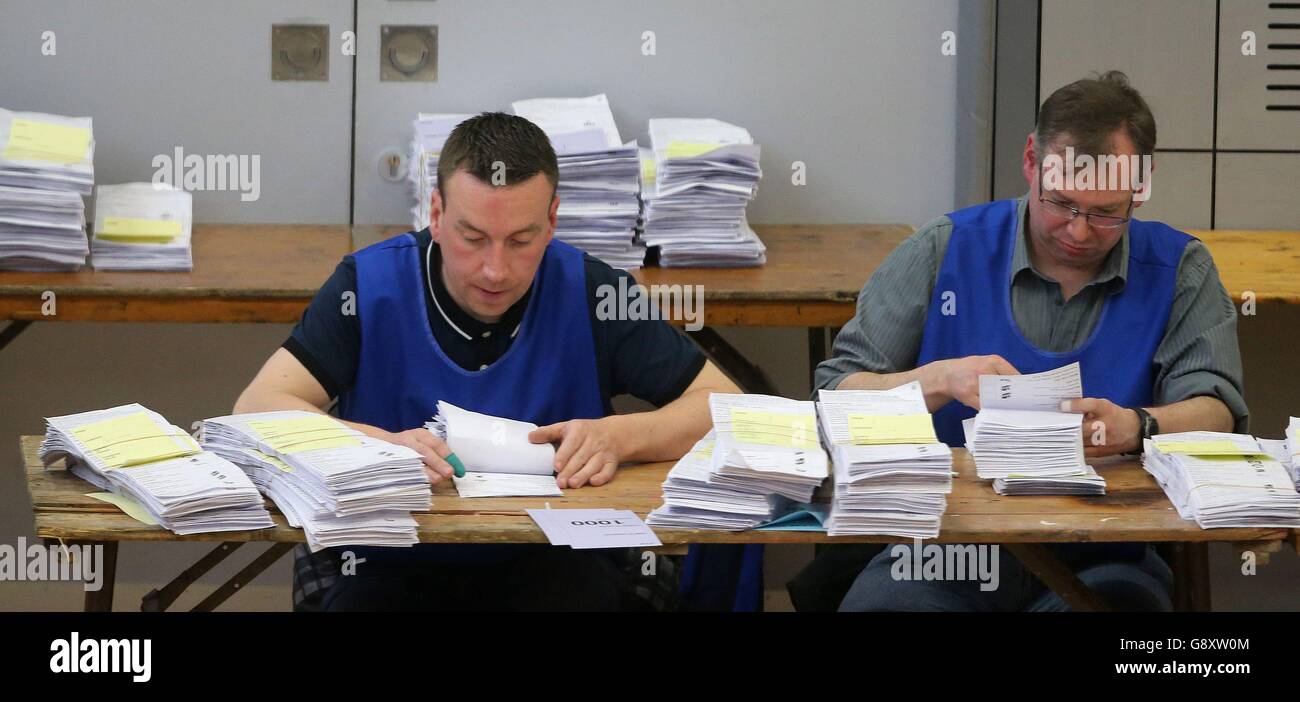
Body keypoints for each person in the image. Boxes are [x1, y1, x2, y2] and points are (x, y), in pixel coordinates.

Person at [234, 112, 740, 611]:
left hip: (553, 558)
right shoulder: (367, 287)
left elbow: (726, 406)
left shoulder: (593, 292)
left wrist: (619, 437)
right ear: (435, 213)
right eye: (472, 238)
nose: (496, 270)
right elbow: (257, 408)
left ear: (552, 221)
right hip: (389, 558)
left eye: (521, 240)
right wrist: (381, 447)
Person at [808, 71, 1246, 611]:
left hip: (1107, 548)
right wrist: (940, 379)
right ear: (1031, 162)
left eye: (1107, 213)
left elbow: (1217, 409)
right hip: (942, 546)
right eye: (1060, 202)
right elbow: (836, 397)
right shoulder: (945, 250)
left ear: (1141, 186)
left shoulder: (1179, 270)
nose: (1079, 232)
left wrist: (1136, 426)